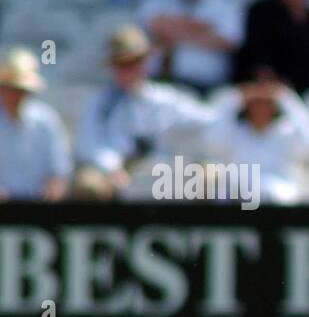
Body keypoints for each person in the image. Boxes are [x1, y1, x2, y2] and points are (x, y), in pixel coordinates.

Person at [74, 25, 214, 198]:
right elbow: (89, 145)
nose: (129, 70)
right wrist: (113, 168)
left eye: (134, 62)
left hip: (161, 168)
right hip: (118, 171)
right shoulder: (100, 104)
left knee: (211, 175)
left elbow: (206, 120)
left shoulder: (166, 98)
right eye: (122, 64)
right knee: (90, 184)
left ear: (145, 63)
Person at [139, 0, 242, 95]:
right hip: (162, 84)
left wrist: (174, 31)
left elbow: (228, 40)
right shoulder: (156, 0)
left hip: (208, 88)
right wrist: (203, 28)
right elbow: (155, 26)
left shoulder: (224, 5)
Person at [201, 78, 309, 204]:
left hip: (275, 194)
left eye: (266, 103)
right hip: (237, 194)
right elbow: (211, 141)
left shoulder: (286, 132)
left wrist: (286, 98)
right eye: (255, 103)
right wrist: (236, 99)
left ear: (274, 107)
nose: (260, 109)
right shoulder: (235, 131)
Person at [0, 46, 70, 201]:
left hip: (38, 209)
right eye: (10, 88)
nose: (16, 95)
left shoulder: (46, 121)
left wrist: (52, 193)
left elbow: (59, 173)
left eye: (21, 90)